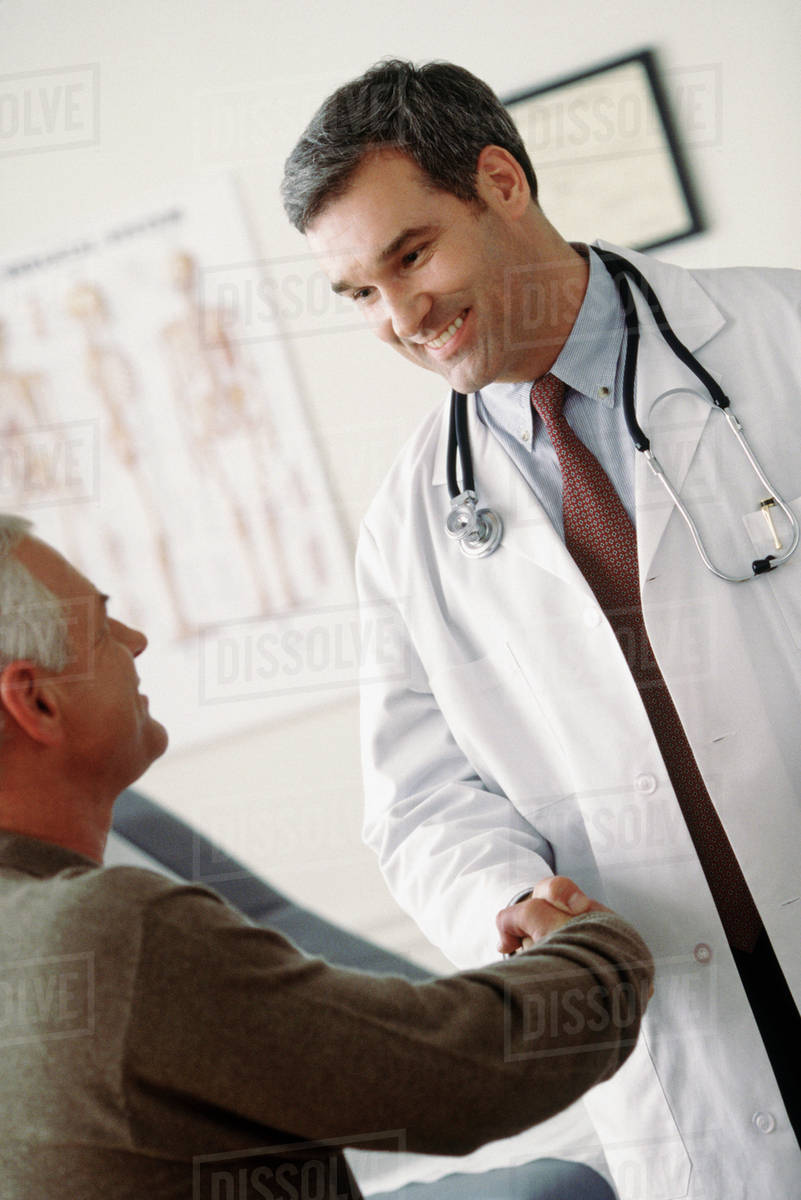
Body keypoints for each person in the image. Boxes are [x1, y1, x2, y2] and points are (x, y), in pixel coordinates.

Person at [282, 59, 801, 1199]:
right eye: (358, 294)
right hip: (691, 1021)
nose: (400, 318)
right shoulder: (409, 525)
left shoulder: (784, 339)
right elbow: (418, 799)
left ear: (502, 182)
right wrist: (503, 899)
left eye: (411, 256)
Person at [0, 512, 652, 1199]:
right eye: (103, 631)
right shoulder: (108, 933)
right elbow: (450, 1075)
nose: (137, 641)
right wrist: (598, 951)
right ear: (36, 700)